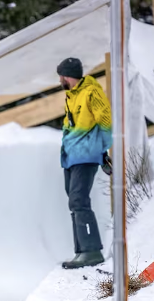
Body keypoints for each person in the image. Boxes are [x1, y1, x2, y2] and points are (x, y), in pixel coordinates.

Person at [57, 57, 112, 269]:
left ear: (67, 75)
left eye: (61, 75)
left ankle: (91, 251)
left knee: (79, 200)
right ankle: (81, 250)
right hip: (71, 157)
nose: (60, 79)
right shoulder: (71, 96)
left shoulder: (91, 92)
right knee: (74, 201)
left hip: (87, 154)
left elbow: (105, 120)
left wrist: (104, 151)